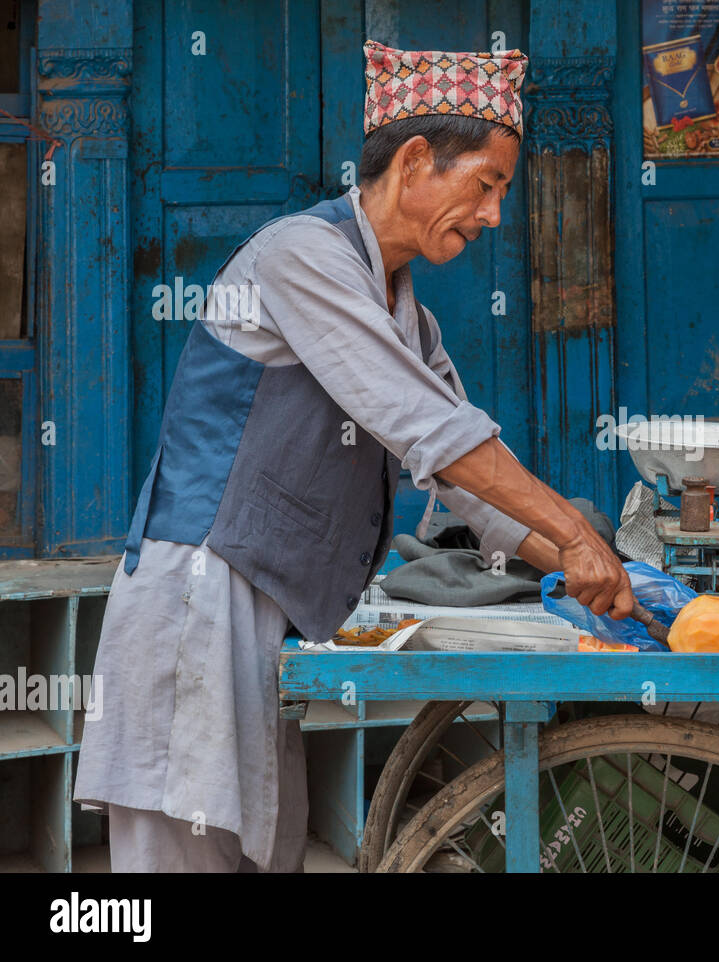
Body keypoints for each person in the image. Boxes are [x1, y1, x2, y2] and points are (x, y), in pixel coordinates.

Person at [73, 40, 634, 872]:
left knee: (263, 851)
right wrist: (578, 540)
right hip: (200, 598)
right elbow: (433, 434)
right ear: (414, 162)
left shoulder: (408, 314)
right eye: (486, 185)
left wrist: (615, 587)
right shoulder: (300, 255)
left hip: (268, 613)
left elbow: (473, 488)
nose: (493, 217)